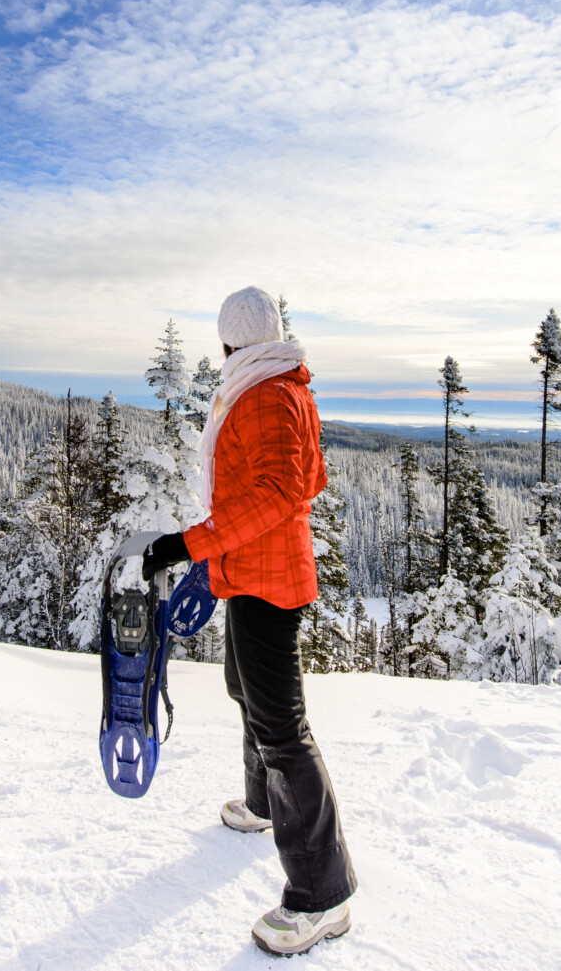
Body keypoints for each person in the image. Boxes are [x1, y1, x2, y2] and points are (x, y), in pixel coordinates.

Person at [138, 285, 358, 957]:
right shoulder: (277, 385)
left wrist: (190, 543)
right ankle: (264, 804)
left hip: (268, 579)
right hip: (252, 571)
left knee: (282, 729)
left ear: (231, 341)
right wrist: (215, 551)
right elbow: (301, 481)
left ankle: (322, 895)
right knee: (245, 689)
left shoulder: (265, 394)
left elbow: (278, 492)